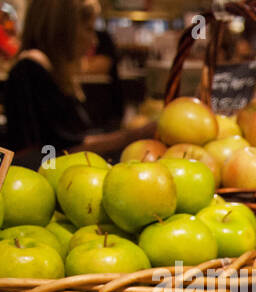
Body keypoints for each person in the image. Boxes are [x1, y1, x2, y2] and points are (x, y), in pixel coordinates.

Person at [2, 0, 151, 169]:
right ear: (62, 30)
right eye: (88, 29)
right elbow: (64, 148)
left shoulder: (49, 71)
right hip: (42, 180)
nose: (94, 41)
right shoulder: (31, 70)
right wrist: (137, 134)